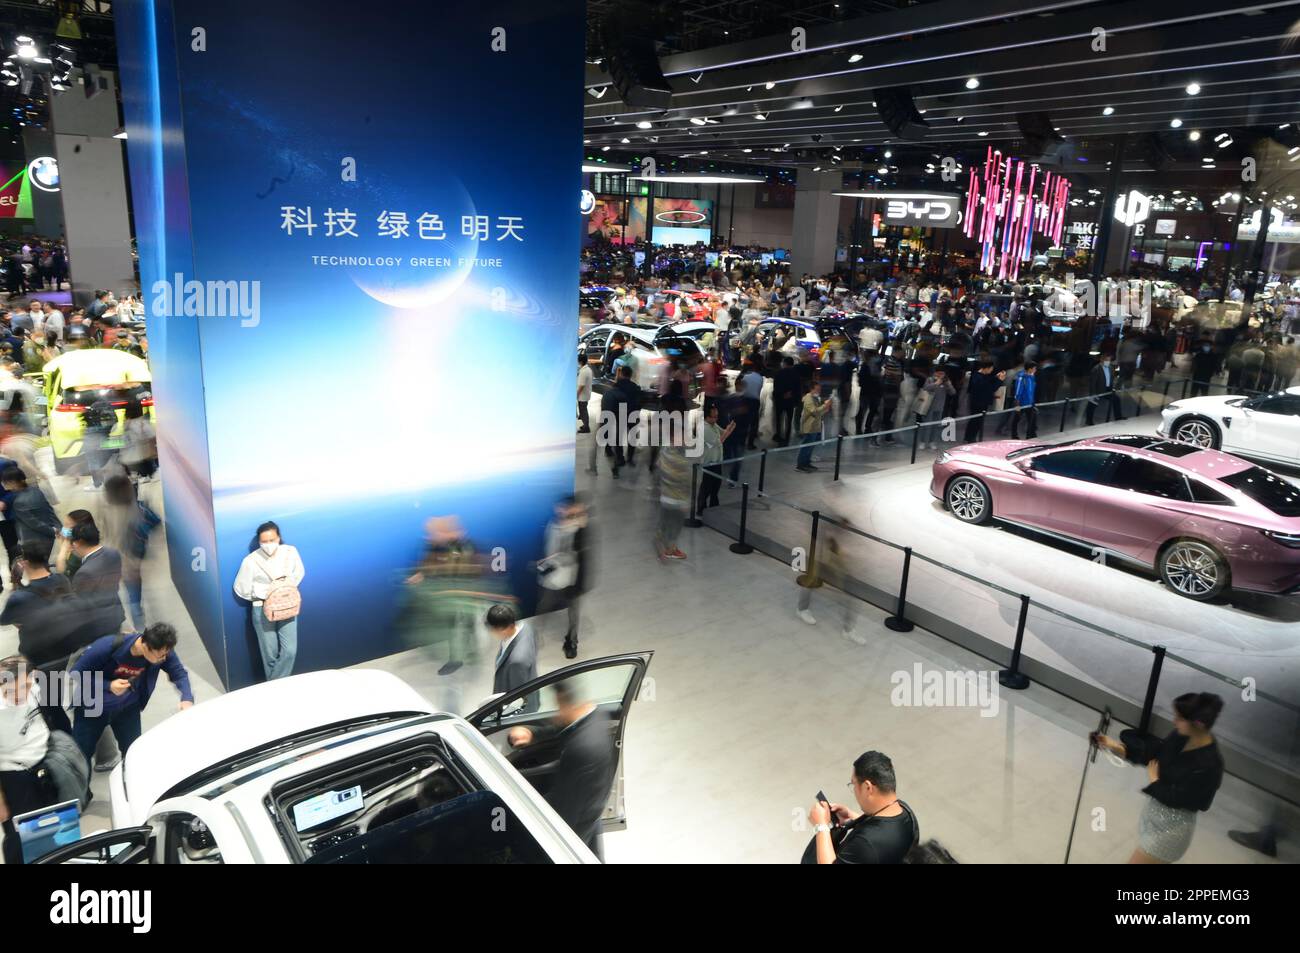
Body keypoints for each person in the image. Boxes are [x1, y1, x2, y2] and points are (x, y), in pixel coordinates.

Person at [1094, 692, 1225, 864]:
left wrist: (1155, 781)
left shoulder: (1210, 765)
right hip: (1152, 817)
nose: (1174, 721)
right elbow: (1155, 755)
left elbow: (1194, 801)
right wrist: (1116, 747)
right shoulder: (1180, 736)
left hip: (1171, 831)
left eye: (1180, 718)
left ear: (1197, 724)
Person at [507, 679, 617, 859]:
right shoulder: (595, 717)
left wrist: (523, 809)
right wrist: (532, 733)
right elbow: (566, 728)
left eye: (558, 706)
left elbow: (565, 812)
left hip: (576, 830)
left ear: (565, 702)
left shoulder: (582, 749)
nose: (557, 713)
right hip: (591, 813)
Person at [68, 624, 194, 764]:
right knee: (80, 757)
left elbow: (179, 673)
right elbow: (76, 673)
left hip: (128, 708)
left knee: (133, 754)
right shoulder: (107, 646)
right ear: (145, 646)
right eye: (161, 656)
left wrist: (187, 698)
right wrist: (108, 685)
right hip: (92, 707)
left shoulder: (162, 649)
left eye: (166, 654)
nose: (164, 658)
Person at [0, 655, 65, 865]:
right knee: (19, 838)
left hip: (45, 766)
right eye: (12, 690)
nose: (20, 694)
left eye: (25, 686)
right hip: (15, 780)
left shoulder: (35, 687)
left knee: (53, 824)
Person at [806, 750, 918, 864]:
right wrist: (853, 817)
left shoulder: (866, 844)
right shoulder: (907, 814)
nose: (854, 790)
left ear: (867, 787)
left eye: (853, 784)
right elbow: (882, 828)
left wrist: (821, 826)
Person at [233, 521, 305, 681]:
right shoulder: (251, 560)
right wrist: (263, 595)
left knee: (290, 651)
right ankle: (277, 688)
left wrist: (283, 590)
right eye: (264, 541)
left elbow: (299, 572)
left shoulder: (290, 552)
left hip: (287, 605)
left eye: (271, 540)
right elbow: (241, 588)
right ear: (259, 542)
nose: (268, 544)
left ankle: (273, 686)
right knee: (269, 655)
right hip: (262, 609)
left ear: (278, 538)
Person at [536, 496, 589, 659]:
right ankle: (537, 635)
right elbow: (552, 551)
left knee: (574, 610)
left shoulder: (581, 527)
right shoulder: (553, 526)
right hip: (553, 579)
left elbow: (579, 554)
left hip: (572, 578)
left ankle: (572, 640)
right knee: (545, 605)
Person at [486, 603, 537, 702]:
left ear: (503, 630)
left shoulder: (516, 661)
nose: (491, 632)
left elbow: (519, 700)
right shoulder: (526, 628)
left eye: (493, 629)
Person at [0, 465, 59, 547]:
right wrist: (59, 528)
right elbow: (49, 510)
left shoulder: (17, 502)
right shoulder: (36, 491)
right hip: (48, 532)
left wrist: (53, 532)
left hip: (34, 540)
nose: (2, 484)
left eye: (3, 481)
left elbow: (34, 524)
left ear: (12, 482)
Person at [696, 402, 733, 516]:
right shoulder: (704, 428)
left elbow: (723, 433)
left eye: (717, 416)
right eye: (714, 417)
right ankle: (700, 510)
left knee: (716, 486)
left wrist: (730, 428)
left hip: (717, 461)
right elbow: (719, 441)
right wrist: (727, 431)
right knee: (706, 488)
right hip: (709, 463)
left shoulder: (713, 424)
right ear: (707, 417)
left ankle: (714, 508)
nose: (716, 419)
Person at [964, 360, 1006, 443]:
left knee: (975, 420)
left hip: (977, 401)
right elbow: (990, 388)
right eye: (991, 369)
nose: (991, 371)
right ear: (986, 368)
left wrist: (996, 377)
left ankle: (969, 437)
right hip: (979, 402)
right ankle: (971, 438)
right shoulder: (978, 377)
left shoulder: (977, 375)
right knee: (976, 421)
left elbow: (987, 381)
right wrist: (1000, 380)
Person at [796, 379, 830, 472]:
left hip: (815, 427)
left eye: (820, 389)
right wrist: (825, 406)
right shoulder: (808, 399)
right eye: (817, 389)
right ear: (811, 389)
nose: (819, 391)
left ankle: (806, 463)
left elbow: (818, 412)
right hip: (809, 427)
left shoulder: (814, 398)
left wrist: (825, 408)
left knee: (810, 447)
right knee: (806, 447)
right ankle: (800, 465)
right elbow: (814, 411)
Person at [119, 399, 158, 480]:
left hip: (127, 461)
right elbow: (153, 438)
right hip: (142, 460)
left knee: (135, 481)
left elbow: (122, 443)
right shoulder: (143, 423)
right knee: (149, 481)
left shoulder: (125, 425)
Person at [1085, 352, 1124, 426]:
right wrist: (1093, 393)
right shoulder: (1096, 369)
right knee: (1092, 405)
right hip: (1098, 390)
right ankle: (1088, 420)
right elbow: (1092, 383)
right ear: (1101, 360)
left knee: (1116, 400)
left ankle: (1118, 417)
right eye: (1106, 360)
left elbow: (1111, 378)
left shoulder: (1110, 367)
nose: (1108, 362)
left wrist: (1113, 387)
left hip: (1108, 389)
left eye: (1109, 360)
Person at [771, 356, 801, 445]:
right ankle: (787, 439)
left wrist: (780, 395)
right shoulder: (796, 374)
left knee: (779, 419)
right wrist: (795, 399)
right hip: (791, 401)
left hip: (780, 400)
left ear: (785, 363)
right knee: (789, 420)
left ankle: (779, 436)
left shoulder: (779, 373)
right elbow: (798, 388)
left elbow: (776, 387)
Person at [1010, 361, 1038, 439]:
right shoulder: (1021, 378)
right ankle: (1014, 435)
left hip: (1029, 402)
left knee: (1032, 418)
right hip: (1020, 403)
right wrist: (1017, 402)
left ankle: (1031, 434)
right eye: (1034, 368)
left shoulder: (1032, 377)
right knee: (1017, 418)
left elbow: (1031, 390)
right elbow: (1018, 390)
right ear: (1030, 369)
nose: (1035, 370)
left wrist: (1032, 401)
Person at [576, 351, 593, 434]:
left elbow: (581, 385)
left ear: (580, 361)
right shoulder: (588, 369)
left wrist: (576, 395)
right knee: (583, 411)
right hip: (586, 394)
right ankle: (585, 425)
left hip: (583, 395)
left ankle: (586, 427)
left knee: (583, 412)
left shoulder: (583, 372)